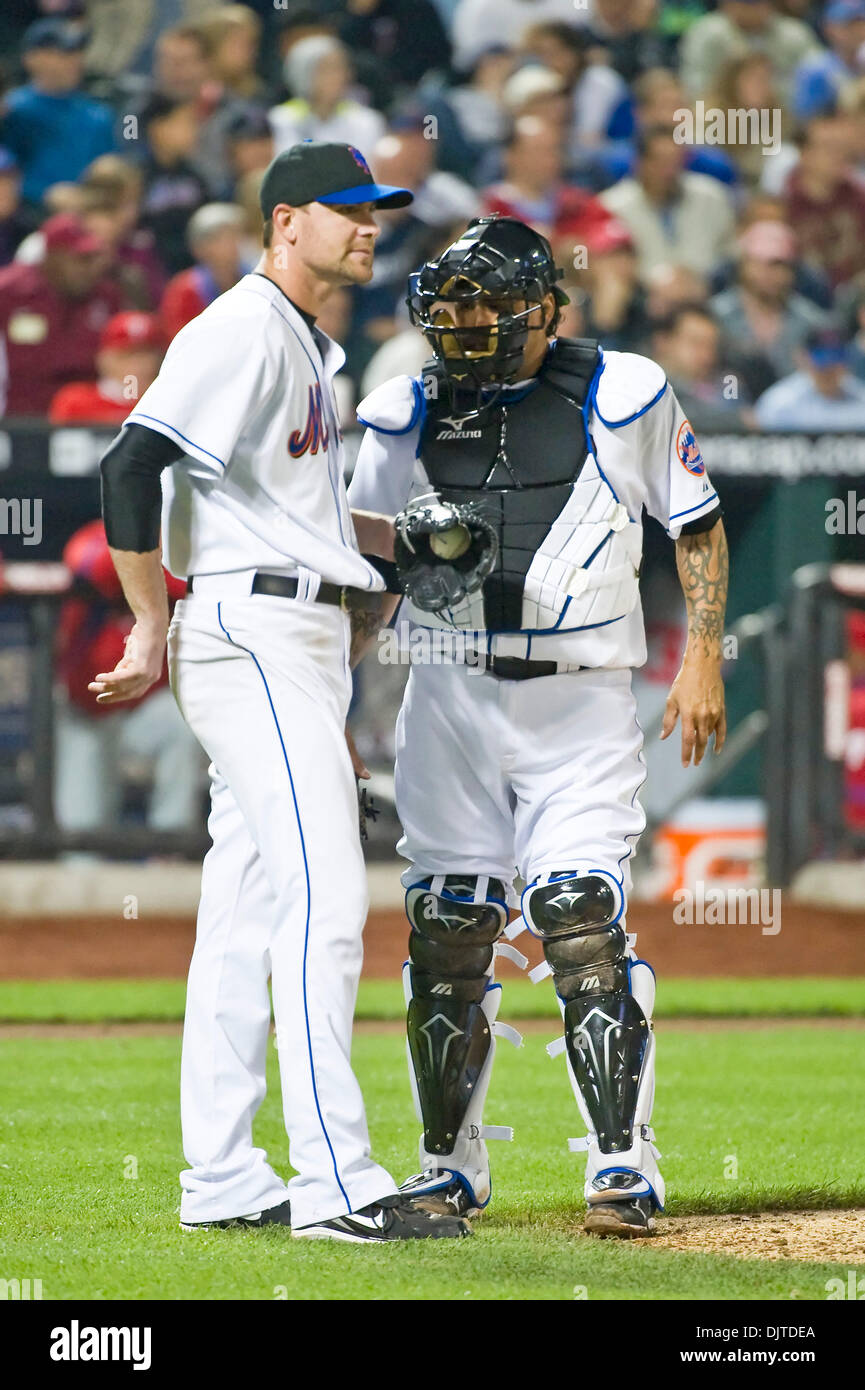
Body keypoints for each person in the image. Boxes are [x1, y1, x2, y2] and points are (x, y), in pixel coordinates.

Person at [91, 140, 470, 1243]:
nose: (367, 227)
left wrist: (394, 546)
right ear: (285, 220)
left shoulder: (310, 343)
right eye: (346, 210)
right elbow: (128, 464)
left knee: (250, 912)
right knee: (327, 897)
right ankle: (335, 1186)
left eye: (376, 211)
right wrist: (149, 623)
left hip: (297, 626)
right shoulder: (242, 328)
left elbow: (286, 515)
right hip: (250, 632)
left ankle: (222, 1178)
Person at [348, 215, 728, 1237]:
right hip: (448, 693)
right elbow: (365, 560)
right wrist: (334, 700)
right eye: (453, 299)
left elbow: (692, 516)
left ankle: (621, 1162)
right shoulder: (400, 409)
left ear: (542, 306)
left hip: (580, 693)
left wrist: (699, 654)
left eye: (486, 299)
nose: (466, 319)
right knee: (449, 925)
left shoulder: (624, 389)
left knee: (575, 911)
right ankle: (447, 1166)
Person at [54, 519, 203, 834]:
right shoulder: (94, 537)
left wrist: (151, 572)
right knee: (81, 831)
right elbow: (87, 564)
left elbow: (193, 581)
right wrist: (143, 567)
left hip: (144, 709)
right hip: (88, 709)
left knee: (181, 725)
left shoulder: (177, 541)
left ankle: (170, 849)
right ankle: (82, 874)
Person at [0, 212, 123, 417]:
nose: (89, 268)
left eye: (92, 259)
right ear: (53, 257)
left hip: (87, 422)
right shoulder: (9, 293)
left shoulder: (107, 296)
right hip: (20, 423)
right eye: (80, 259)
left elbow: (125, 367)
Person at [0, 18, 116, 208]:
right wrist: (43, 193)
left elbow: (116, 172)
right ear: (32, 58)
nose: (75, 60)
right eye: (64, 52)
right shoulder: (12, 110)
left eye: (78, 52)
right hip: (23, 216)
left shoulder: (100, 115)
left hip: (87, 219)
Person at [599, 126, 736, 283]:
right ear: (640, 163)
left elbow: (729, 254)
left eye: (674, 162)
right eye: (660, 162)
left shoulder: (711, 196)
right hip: (641, 296)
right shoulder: (611, 206)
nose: (668, 171)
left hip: (708, 291)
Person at [49, 311, 165, 425]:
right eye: (126, 355)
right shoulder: (75, 403)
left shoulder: (163, 405)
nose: (139, 365)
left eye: (145, 355)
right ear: (105, 359)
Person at [159, 203, 249, 341]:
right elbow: (179, 339)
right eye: (223, 238)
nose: (234, 244)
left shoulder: (254, 277)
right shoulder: (183, 290)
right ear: (200, 247)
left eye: (237, 236)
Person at [754, 326, 865, 429]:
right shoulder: (780, 402)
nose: (828, 370)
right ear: (803, 357)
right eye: (822, 365)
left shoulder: (861, 397)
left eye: (834, 363)